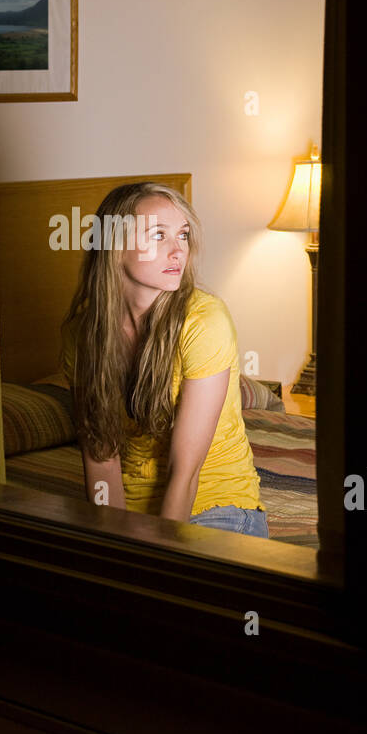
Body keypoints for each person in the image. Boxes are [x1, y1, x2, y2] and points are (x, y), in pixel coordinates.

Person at [59, 181, 268, 536]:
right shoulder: (82, 336)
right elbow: (101, 457)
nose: (178, 251)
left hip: (217, 503)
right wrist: (115, 542)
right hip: (131, 511)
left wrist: (157, 558)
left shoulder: (204, 320)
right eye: (158, 235)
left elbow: (185, 471)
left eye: (183, 235)